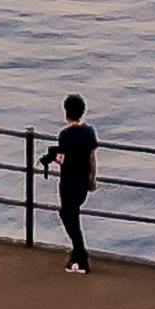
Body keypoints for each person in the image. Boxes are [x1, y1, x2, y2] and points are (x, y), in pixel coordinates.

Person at [42, 96, 98, 273]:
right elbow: (92, 158)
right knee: (71, 214)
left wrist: (52, 159)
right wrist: (92, 179)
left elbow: (64, 159)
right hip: (82, 180)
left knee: (67, 214)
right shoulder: (89, 132)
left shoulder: (65, 135)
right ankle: (77, 254)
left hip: (68, 180)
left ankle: (81, 256)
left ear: (66, 112)